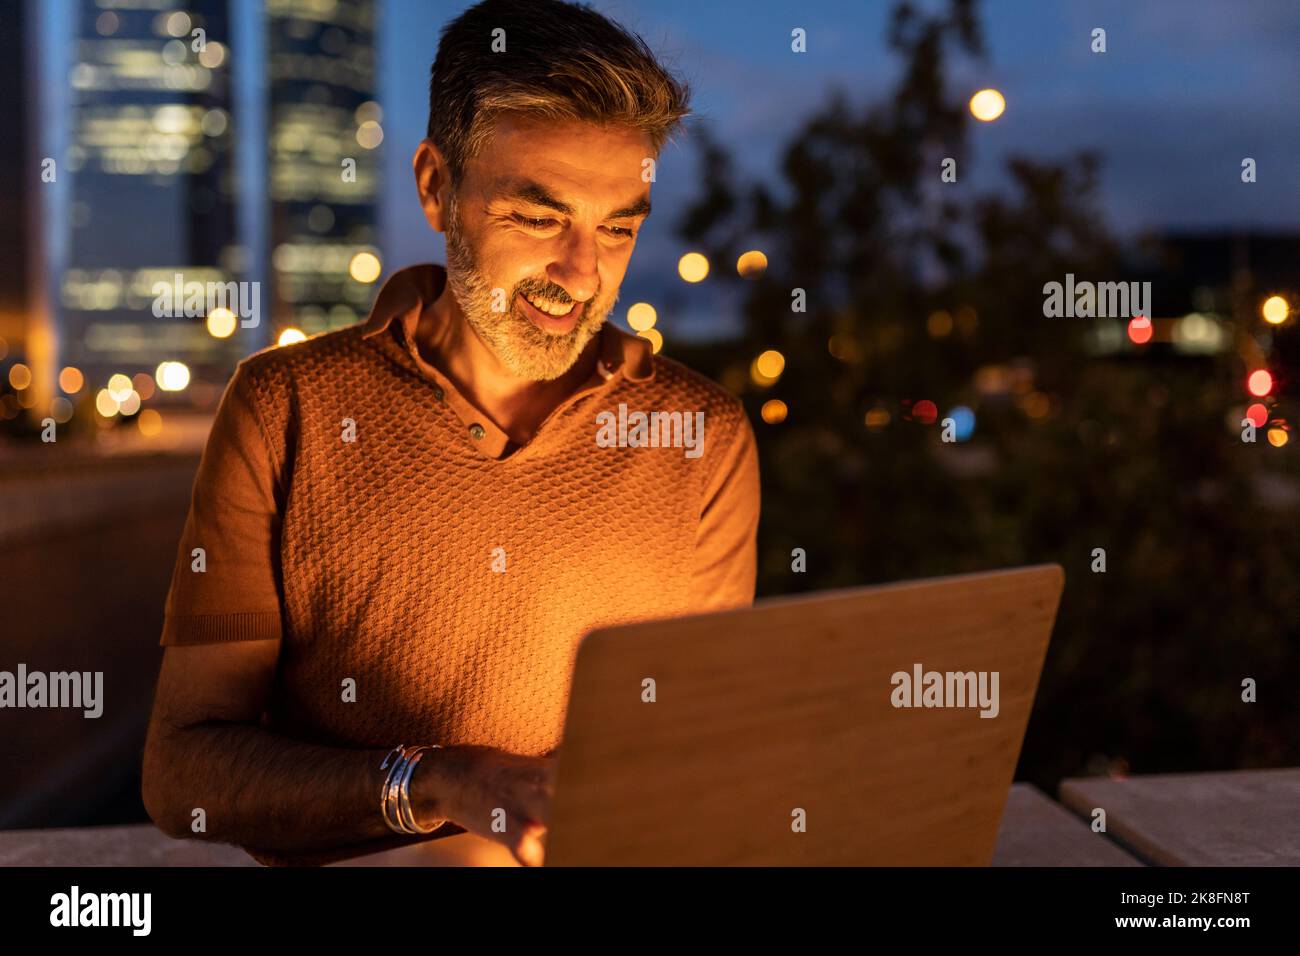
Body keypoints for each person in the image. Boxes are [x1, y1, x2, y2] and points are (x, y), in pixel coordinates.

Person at [142, 0, 760, 867]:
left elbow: (700, 750)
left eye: (618, 227)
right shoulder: (286, 408)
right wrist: (433, 782)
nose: (582, 274)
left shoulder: (706, 438)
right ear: (436, 187)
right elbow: (184, 774)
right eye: (540, 218)